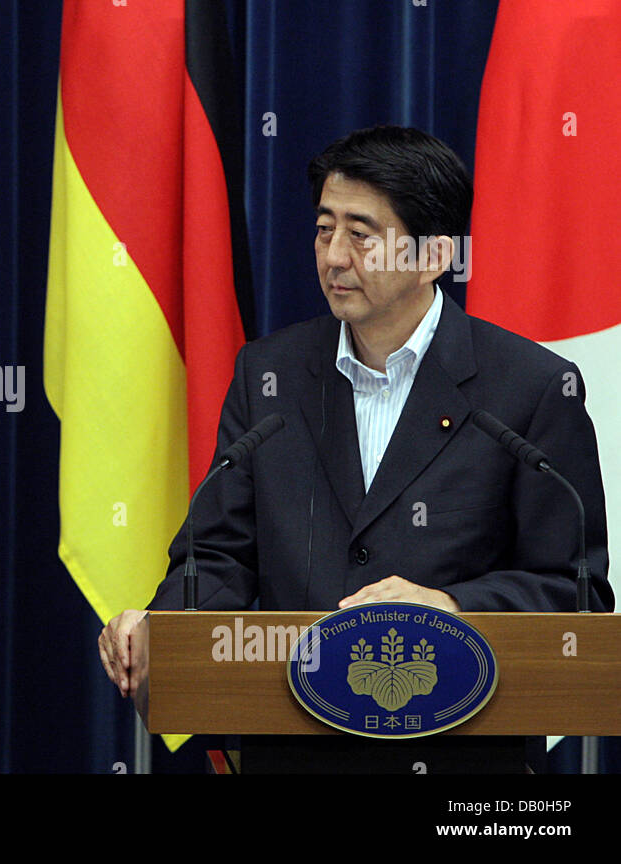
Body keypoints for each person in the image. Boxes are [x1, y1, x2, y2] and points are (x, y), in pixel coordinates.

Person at [99, 126, 612, 707]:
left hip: (457, 738)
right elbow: (219, 557)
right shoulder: (270, 376)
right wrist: (163, 624)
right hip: (292, 736)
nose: (334, 256)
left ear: (434, 256)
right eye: (324, 230)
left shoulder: (531, 389)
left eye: (362, 235)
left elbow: (578, 593)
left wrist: (453, 607)